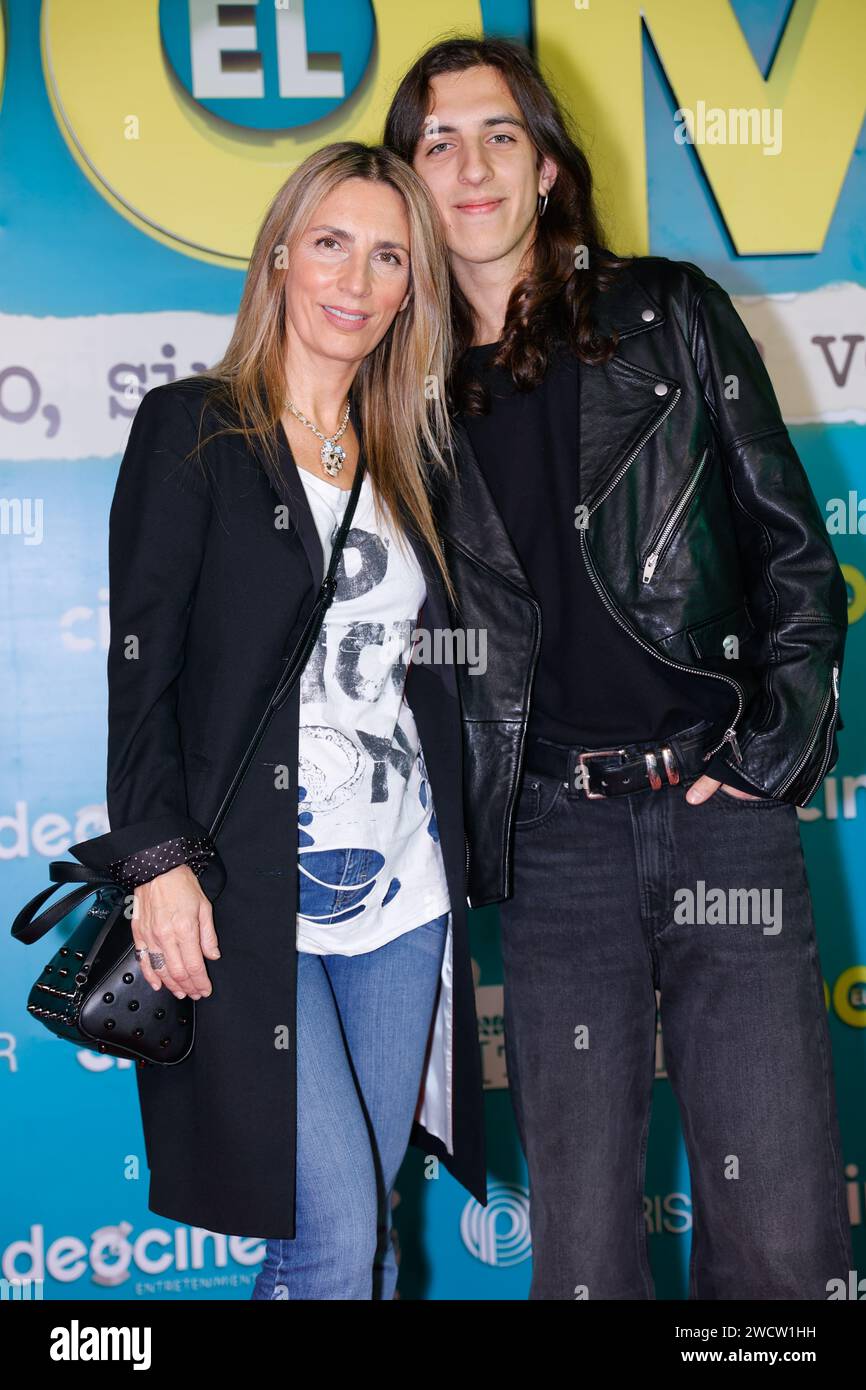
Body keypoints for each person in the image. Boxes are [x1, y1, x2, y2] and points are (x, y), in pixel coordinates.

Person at [384, 37, 853, 1299]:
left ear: (545, 166)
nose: (468, 164)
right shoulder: (392, 392)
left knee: (784, 1240)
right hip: (552, 842)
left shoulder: (668, 314)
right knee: (583, 1251)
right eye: (435, 141)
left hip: (720, 819)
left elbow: (795, 559)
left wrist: (769, 755)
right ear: (405, 182)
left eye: (495, 134)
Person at [71, 142, 498, 1300]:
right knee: (330, 1225)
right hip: (247, 894)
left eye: (387, 256)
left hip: (399, 895)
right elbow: (139, 666)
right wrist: (155, 858)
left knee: (352, 1234)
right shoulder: (193, 427)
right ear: (277, 256)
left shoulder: (416, 459)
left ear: (412, 287)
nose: (355, 280)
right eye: (329, 243)